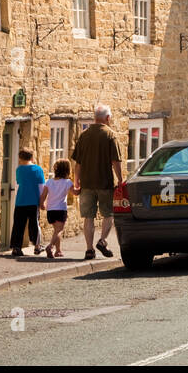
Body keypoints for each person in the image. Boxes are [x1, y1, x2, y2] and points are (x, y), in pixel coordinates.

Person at [71, 105, 124, 261]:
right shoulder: (110, 135)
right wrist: (120, 179)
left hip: (87, 183)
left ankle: (89, 249)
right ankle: (102, 241)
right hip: (105, 183)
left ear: (95, 117)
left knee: (88, 217)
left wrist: (76, 182)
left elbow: (78, 163)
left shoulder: (84, 135)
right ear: (107, 118)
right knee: (108, 214)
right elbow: (115, 161)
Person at [9, 149, 45, 257]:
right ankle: (37, 246)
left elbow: (19, 184)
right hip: (33, 201)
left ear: (20, 158)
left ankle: (16, 247)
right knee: (34, 224)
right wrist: (42, 201)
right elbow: (41, 187)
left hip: (20, 201)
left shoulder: (19, 170)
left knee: (18, 225)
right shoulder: (38, 169)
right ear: (32, 157)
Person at [40, 159, 74, 258]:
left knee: (56, 230)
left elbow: (43, 195)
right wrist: (80, 187)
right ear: (67, 170)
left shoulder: (49, 182)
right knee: (59, 230)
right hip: (61, 209)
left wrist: (42, 204)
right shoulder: (68, 182)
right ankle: (50, 246)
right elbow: (75, 193)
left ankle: (58, 251)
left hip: (50, 210)